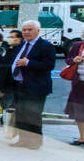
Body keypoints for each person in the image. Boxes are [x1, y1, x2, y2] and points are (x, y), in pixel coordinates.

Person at [8, 19, 56, 149]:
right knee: (21, 114)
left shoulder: (46, 46)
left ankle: (34, 141)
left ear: (38, 31)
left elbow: (49, 65)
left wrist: (28, 63)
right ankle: (23, 140)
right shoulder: (20, 45)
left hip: (36, 86)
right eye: (24, 30)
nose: (26, 32)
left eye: (30, 29)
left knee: (33, 114)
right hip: (19, 85)